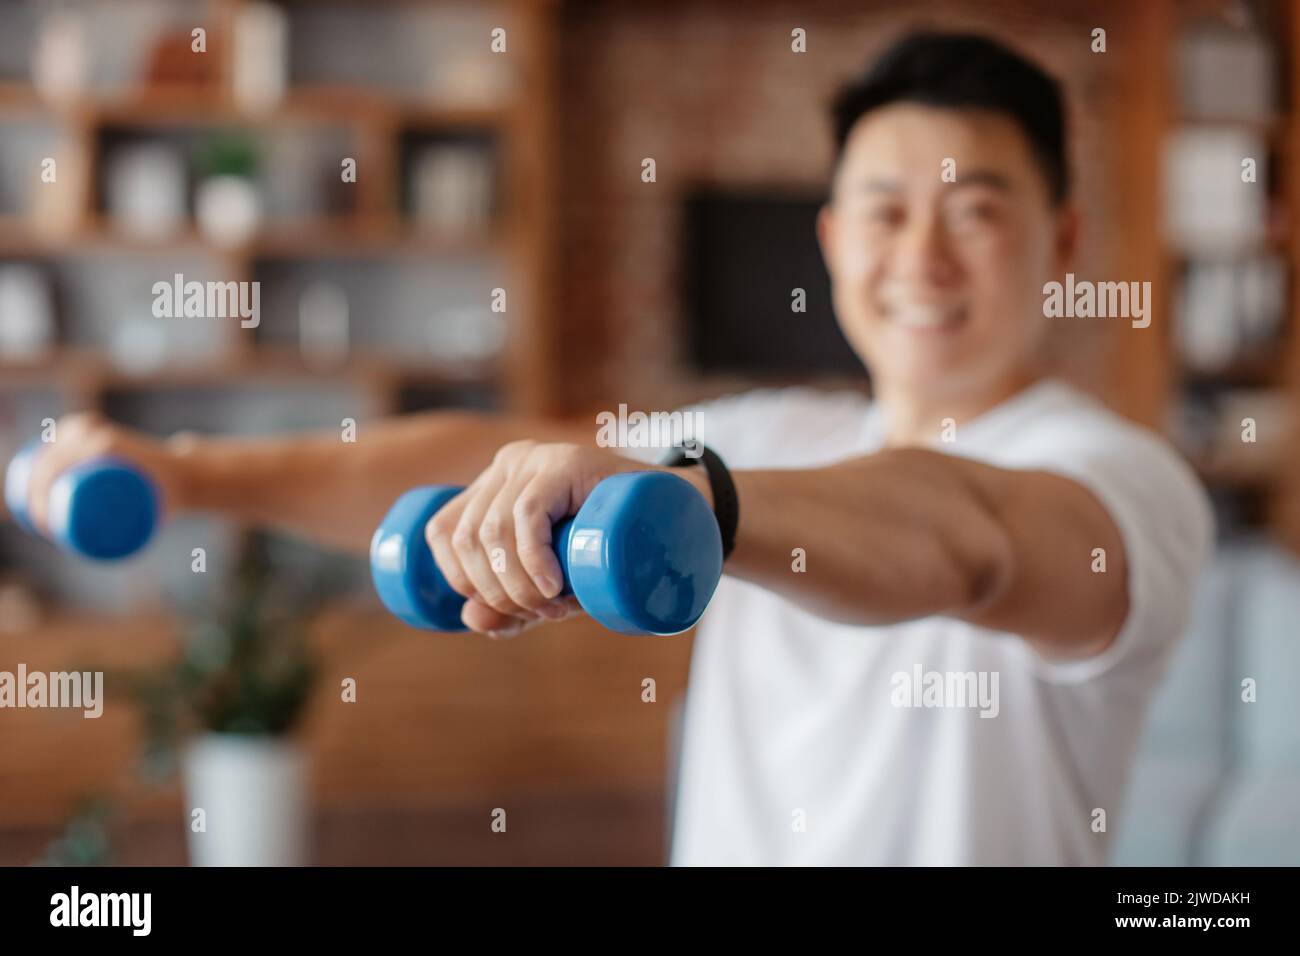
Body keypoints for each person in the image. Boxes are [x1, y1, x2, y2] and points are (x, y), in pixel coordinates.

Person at [16, 32, 1212, 865]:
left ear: (1062, 242)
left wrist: (701, 501)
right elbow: (477, 454)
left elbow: (975, 536)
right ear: (834, 240)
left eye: (976, 210)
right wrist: (189, 471)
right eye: (887, 211)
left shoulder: (1124, 481)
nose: (922, 255)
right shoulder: (770, 431)